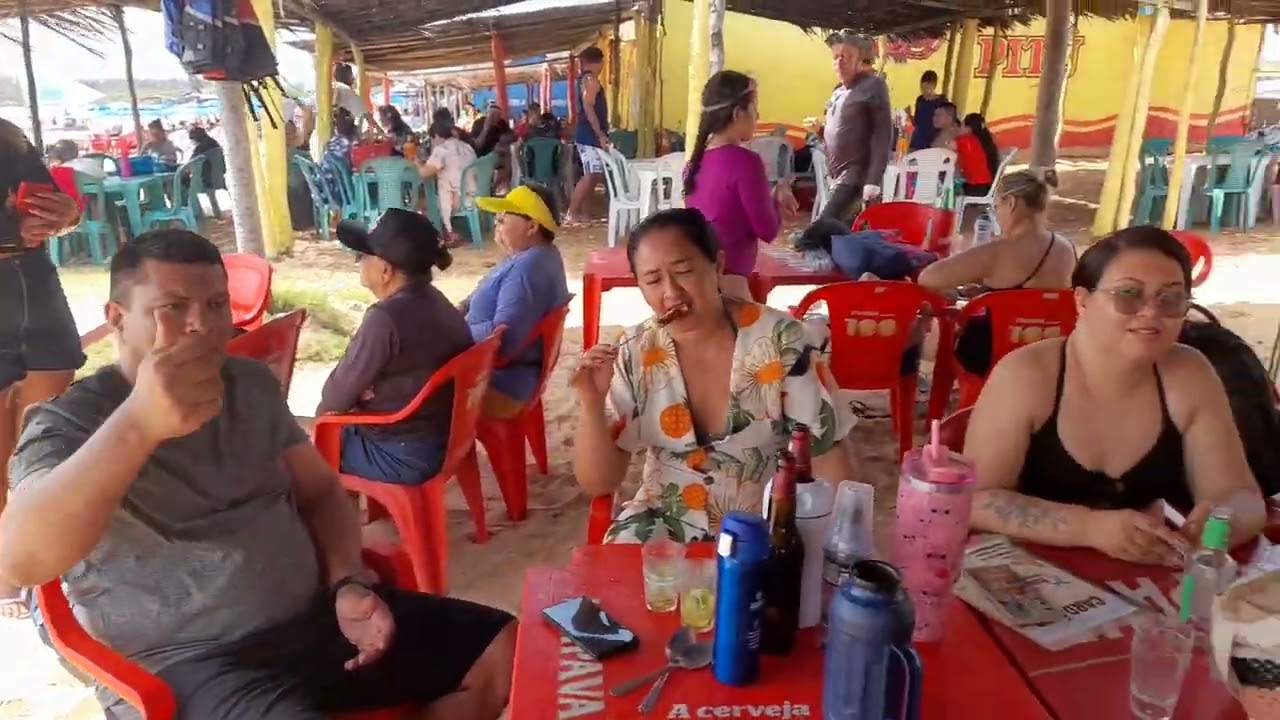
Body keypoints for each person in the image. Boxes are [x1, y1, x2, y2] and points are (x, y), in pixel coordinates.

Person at [0, 229, 515, 719]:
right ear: (117, 317)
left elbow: (321, 492)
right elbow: (19, 560)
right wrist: (138, 425)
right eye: (172, 307)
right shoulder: (70, 421)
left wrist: (346, 581)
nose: (201, 325)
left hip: (316, 621)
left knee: (505, 649)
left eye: (216, 305)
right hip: (197, 664)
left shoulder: (247, 384)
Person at [964, 225, 1268, 564]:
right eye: (1128, 294)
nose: (1151, 312)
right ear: (1082, 300)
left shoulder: (1189, 373)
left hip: (1147, 576)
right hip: (1025, 572)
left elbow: (1240, 495)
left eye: (1170, 298)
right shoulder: (1026, 375)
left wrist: (1217, 526)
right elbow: (975, 500)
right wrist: (1089, 528)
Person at [571, 208, 857, 543]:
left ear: (718, 265)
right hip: (664, 519)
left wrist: (827, 540)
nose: (671, 292)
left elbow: (828, 455)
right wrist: (591, 403)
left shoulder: (783, 340)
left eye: (684, 271)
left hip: (765, 524)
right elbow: (600, 483)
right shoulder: (634, 352)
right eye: (653, 280)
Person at [319, 210, 473, 484]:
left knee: (298, 444)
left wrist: (360, 394)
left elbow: (333, 398)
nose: (359, 262)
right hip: (442, 440)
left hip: (401, 453)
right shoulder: (436, 301)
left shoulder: (384, 319)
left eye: (363, 255)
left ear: (385, 270)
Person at [0, 118, 84, 619]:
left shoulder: (7, 136)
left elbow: (55, 205)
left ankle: (40, 559)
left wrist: (66, 215)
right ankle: (6, 573)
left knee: (43, 438)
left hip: (36, 287)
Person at [922, 169, 1075, 377]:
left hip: (997, 355)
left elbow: (928, 277)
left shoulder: (998, 251)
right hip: (1049, 354)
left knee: (949, 332)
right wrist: (988, 294)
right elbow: (1034, 299)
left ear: (1010, 203)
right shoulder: (1066, 248)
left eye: (997, 207)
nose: (997, 215)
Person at [683, 70, 798, 300]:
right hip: (731, 284)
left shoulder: (694, 163)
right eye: (754, 107)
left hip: (701, 281)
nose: (758, 115)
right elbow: (767, 230)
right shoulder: (746, 162)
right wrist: (778, 198)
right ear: (738, 113)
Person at [466, 183, 571, 418]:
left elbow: (502, 338)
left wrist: (454, 330)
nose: (497, 223)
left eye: (503, 219)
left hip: (499, 380)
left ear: (532, 226)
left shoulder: (528, 268)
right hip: (503, 372)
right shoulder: (530, 255)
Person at [818, 30, 893, 224]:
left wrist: (873, 180)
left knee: (823, 226)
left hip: (855, 176)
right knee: (838, 230)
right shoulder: (838, 91)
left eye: (846, 56)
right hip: (836, 176)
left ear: (860, 60)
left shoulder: (873, 86)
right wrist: (819, 131)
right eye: (835, 57)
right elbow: (840, 133)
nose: (839, 62)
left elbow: (882, 133)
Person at [416, 118, 478, 246]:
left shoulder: (442, 149)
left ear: (437, 136)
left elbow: (424, 173)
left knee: (420, 201)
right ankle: (450, 230)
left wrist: (415, 162)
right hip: (475, 193)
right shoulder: (466, 146)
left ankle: (446, 234)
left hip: (459, 199)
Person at [567, 46, 611, 225]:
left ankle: (585, 214)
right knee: (591, 174)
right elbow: (588, 107)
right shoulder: (591, 80)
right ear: (599, 62)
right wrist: (599, 133)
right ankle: (572, 212)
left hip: (587, 133)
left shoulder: (583, 79)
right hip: (589, 134)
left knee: (593, 174)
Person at [953, 113, 1001, 197]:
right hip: (986, 186)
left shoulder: (965, 140)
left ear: (968, 128)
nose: (958, 129)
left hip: (975, 187)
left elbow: (946, 146)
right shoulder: (983, 140)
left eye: (961, 126)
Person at [321, 108, 359, 200]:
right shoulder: (351, 144)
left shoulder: (331, 143)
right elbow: (356, 166)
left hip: (323, 188)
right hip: (339, 193)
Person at [908, 70, 949, 151]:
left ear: (934, 86)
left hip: (933, 142)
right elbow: (916, 122)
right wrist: (909, 115)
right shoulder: (920, 100)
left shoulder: (941, 102)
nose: (924, 91)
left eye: (927, 88)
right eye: (922, 88)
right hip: (918, 142)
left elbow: (945, 125)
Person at [333, 63, 372, 129]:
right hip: (343, 130)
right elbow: (366, 114)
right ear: (347, 76)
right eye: (351, 76)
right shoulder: (347, 90)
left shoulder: (330, 88)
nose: (353, 79)